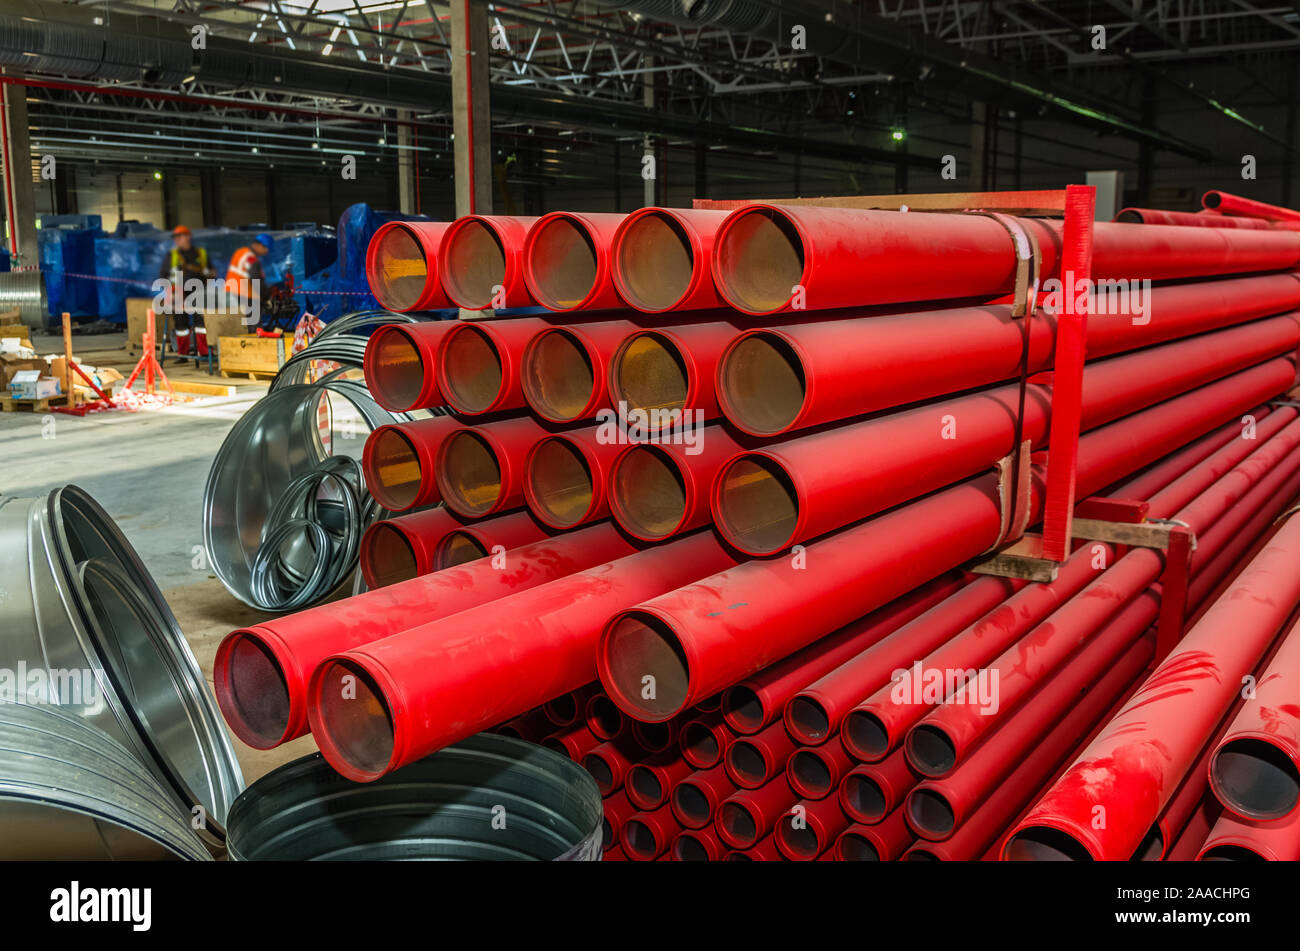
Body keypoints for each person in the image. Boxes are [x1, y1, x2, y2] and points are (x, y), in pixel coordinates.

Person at [159, 225, 214, 364]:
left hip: (199, 292)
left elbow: (211, 272)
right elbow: (163, 276)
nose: (177, 240)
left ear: (188, 237)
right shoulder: (172, 255)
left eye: (180, 237)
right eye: (176, 238)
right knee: (181, 325)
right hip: (178, 294)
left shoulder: (201, 253)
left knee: (201, 324)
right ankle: (182, 355)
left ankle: (204, 352)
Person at [225, 232, 274, 326]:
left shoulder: (240, 252)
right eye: (267, 248)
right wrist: (267, 296)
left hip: (231, 294)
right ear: (260, 245)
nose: (267, 252)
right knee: (253, 330)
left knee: (240, 328)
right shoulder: (251, 258)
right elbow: (256, 279)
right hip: (245, 297)